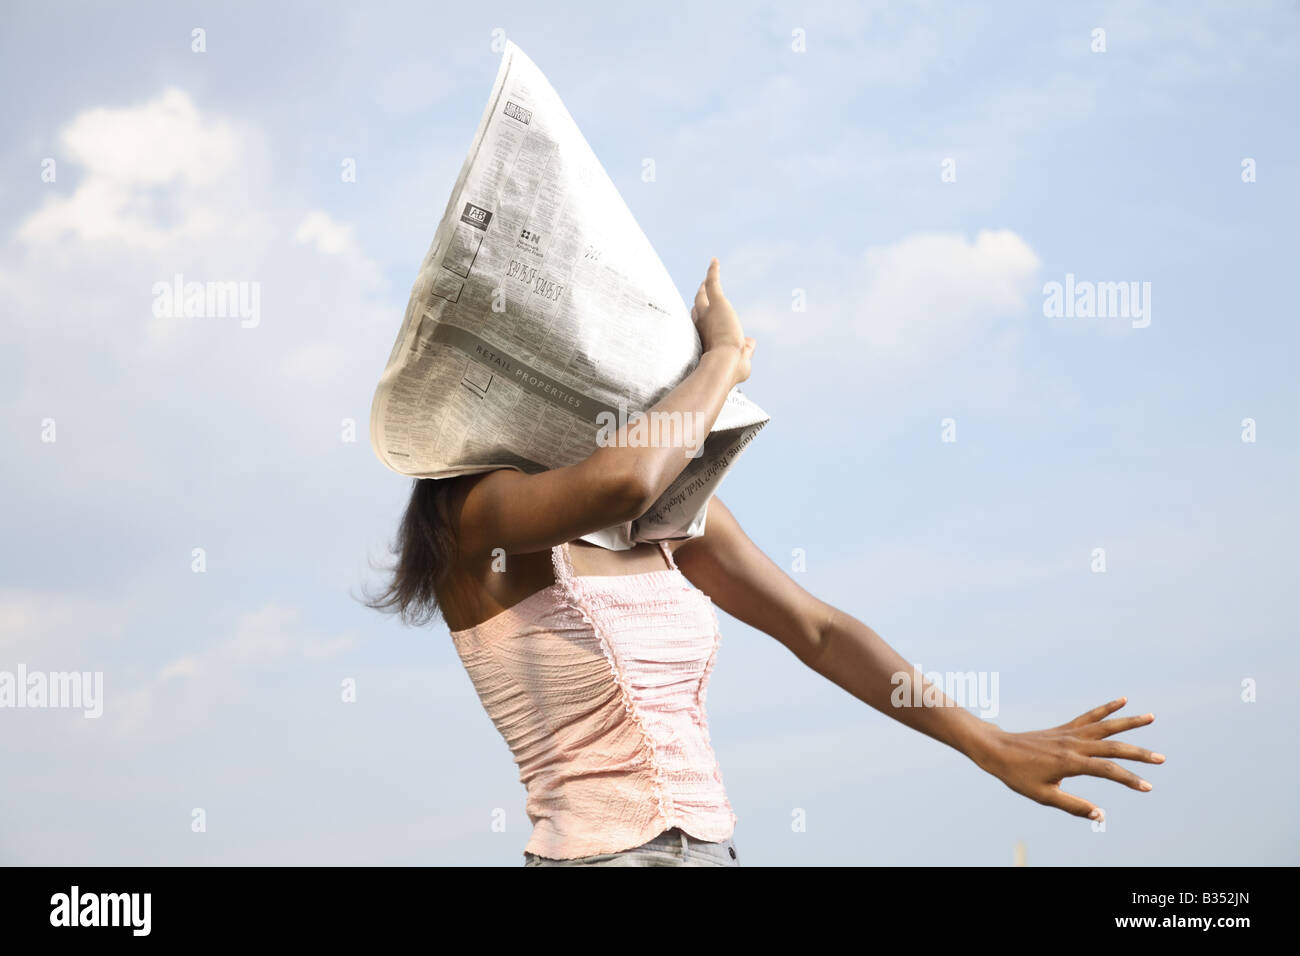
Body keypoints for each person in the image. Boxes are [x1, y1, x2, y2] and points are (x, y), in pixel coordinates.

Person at [368, 258, 1164, 866]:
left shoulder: (666, 518)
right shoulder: (478, 515)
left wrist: (987, 744)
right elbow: (623, 479)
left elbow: (816, 630)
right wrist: (722, 360)